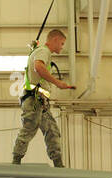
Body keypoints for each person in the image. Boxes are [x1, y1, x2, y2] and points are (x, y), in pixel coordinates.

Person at [12, 28, 74, 168]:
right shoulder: (43, 52)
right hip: (34, 100)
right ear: (55, 40)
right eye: (62, 43)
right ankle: (16, 161)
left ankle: (58, 163)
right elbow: (38, 67)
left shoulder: (40, 51)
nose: (62, 47)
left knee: (52, 131)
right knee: (29, 128)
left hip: (41, 102)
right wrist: (57, 83)